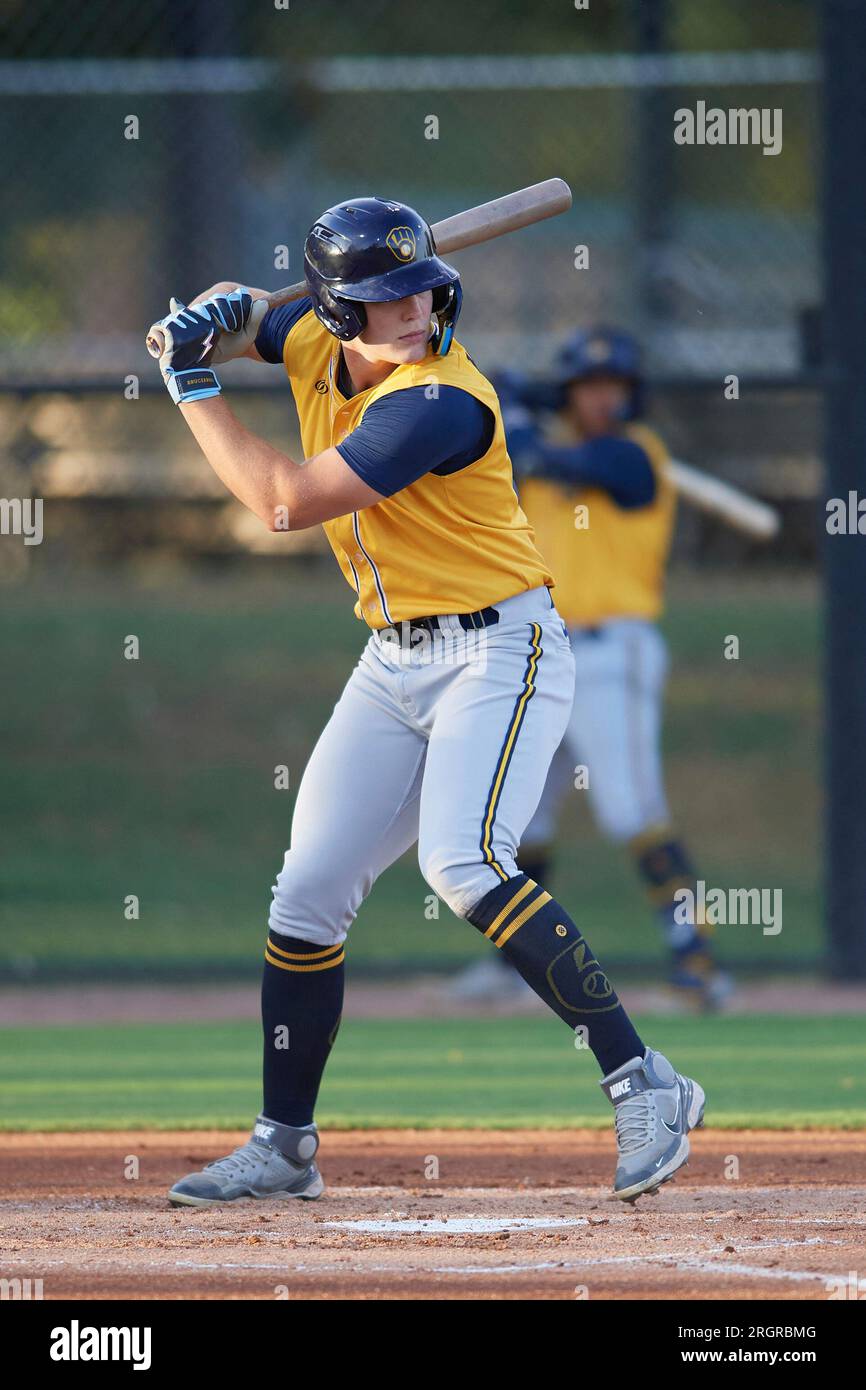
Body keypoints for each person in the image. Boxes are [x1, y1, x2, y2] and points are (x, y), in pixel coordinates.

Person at [149, 199, 705, 1207]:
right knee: (306, 894)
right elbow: (260, 325)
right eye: (383, 297)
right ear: (337, 309)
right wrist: (217, 316)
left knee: (463, 862)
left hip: (500, 647)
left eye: (419, 289)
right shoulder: (317, 330)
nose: (411, 309)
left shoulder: (438, 400)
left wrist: (189, 380)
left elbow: (280, 501)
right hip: (390, 657)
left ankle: (644, 1079)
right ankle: (283, 1142)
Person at [452, 329, 731, 1011]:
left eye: (615, 388)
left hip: (615, 651)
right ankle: (510, 971)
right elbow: (513, 461)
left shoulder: (637, 455)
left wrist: (520, 410)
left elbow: (554, 457)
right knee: (519, 821)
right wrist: (517, 399)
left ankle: (698, 970)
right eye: (588, 388)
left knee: (630, 809)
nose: (604, 399)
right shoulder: (547, 451)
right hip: (541, 654)